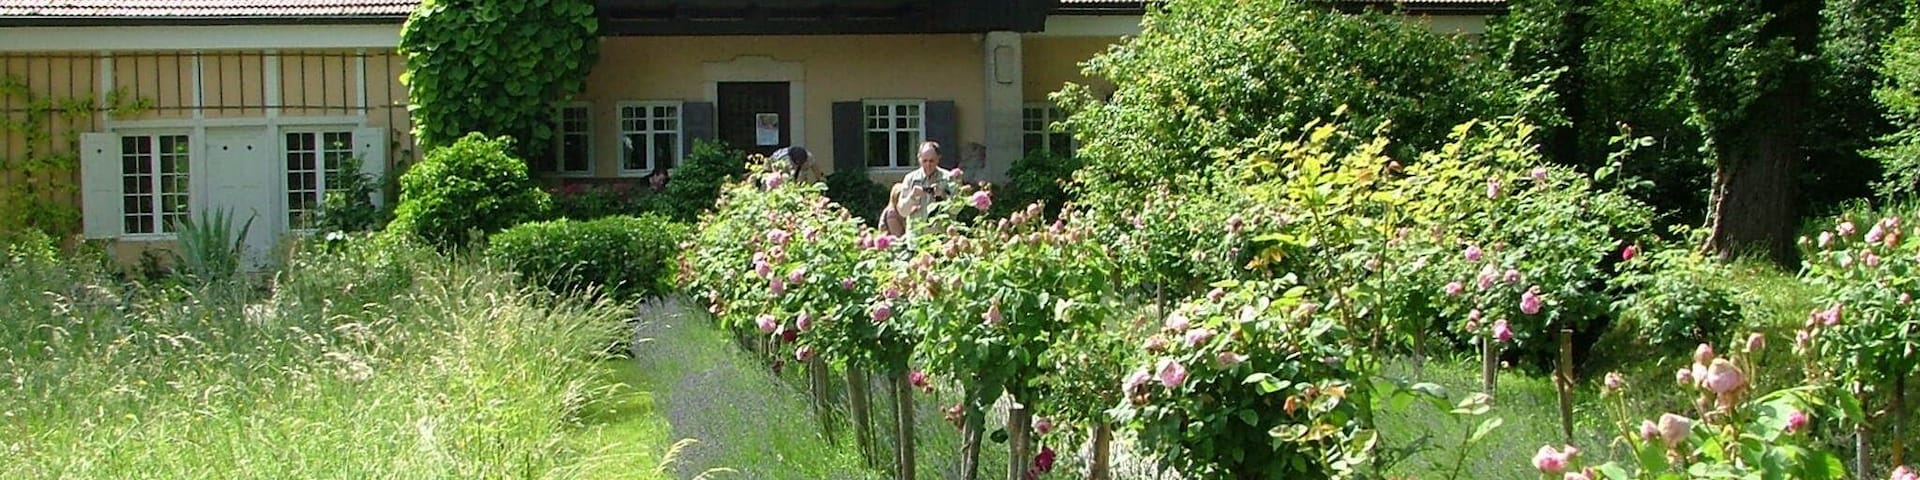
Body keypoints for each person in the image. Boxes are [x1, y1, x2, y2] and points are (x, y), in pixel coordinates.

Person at [897, 141, 954, 225]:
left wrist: (943, 195)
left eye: (931, 161)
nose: (928, 165)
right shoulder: (910, 179)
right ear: (919, 158)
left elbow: (956, 210)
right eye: (925, 161)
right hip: (916, 233)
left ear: (938, 158)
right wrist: (912, 197)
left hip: (940, 232)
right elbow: (902, 212)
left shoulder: (948, 178)